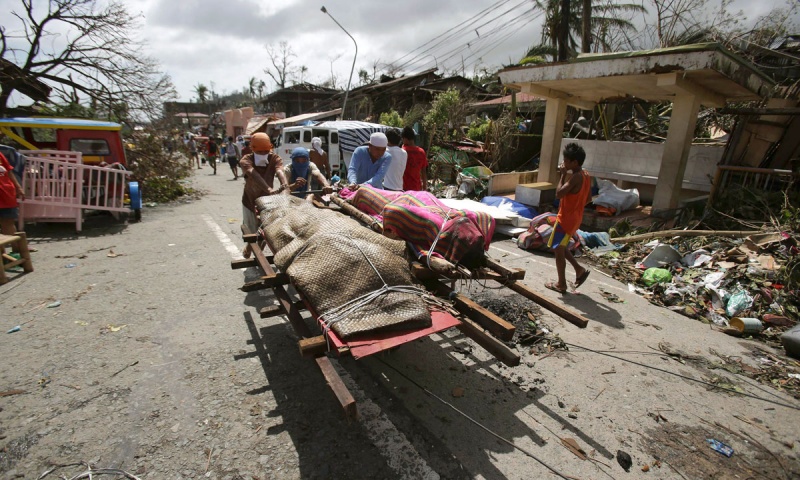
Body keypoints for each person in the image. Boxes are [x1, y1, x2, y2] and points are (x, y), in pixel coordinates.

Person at [544, 143, 591, 294]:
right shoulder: (586, 175)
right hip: (575, 218)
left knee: (558, 250)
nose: (563, 163)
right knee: (561, 246)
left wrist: (562, 175)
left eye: (566, 161)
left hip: (566, 219)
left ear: (575, 162)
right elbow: (588, 199)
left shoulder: (576, 177)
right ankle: (579, 270)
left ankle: (561, 284)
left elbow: (558, 194)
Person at [239, 132, 290, 258]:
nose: (263, 154)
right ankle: (249, 248)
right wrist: (268, 188)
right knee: (251, 230)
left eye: (265, 151)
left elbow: (279, 171)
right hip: (250, 200)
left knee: (266, 229)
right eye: (260, 152)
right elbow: (253, 174)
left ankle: (258, 253)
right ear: (253, 149)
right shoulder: (246, 160)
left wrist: (285, 184)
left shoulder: (274, 158)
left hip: (268, 201)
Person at [0, 152, 24, 236]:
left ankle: (17, 246)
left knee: (8, 221)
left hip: (6, 193)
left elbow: (9, 171)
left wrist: (18, 187)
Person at [401, 126, 428, 191]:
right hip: (417, 187)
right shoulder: (421, 152)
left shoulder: (403, 151)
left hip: (404, 187)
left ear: (405, 139)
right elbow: (424, 171)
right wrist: (424, 186)